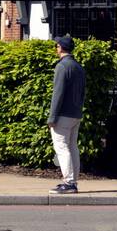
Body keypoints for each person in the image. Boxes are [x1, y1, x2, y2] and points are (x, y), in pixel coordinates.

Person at [48, 36, 85, 194]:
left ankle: (69, 182)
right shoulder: (78, 67)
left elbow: (58, 93)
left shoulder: (62, 66)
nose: (56, 48)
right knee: (72, 147)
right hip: (75, 113)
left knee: (62, 147)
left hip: (63, 114)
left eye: (56, 46)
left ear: (61, 48)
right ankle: (73, 181)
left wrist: (52, 117)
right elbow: (82, 92)